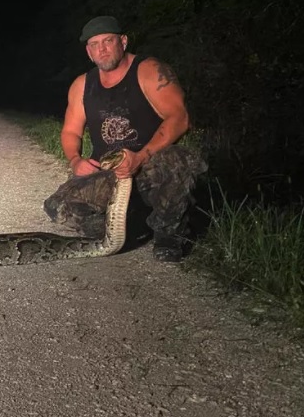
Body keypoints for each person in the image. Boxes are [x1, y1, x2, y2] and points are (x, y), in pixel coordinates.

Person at [43, 16, 207, 263]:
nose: (102, 49)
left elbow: (180, 117)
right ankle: (133, 224)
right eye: (94, 44)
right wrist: (75, 160)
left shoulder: (149, 70)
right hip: (108, 173)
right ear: (88, 52)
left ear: (123, 41)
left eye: (108, 41)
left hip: (148, 166)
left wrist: (140, 157)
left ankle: (169, 235)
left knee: (179, 160)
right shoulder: (82, 85)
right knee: (59, 207)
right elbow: (70, 132)